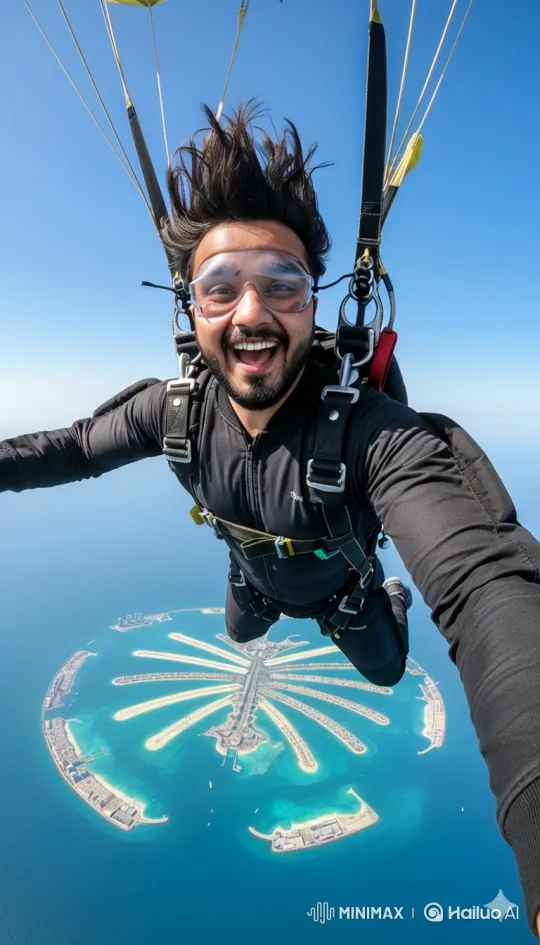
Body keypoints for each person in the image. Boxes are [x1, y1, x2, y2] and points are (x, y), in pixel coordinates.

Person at [2, 102, 540, 936]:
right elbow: (68, 448)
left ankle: (381, 603)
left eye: (281, 283)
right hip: (253, 578)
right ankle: (259, 592)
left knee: (390, 673)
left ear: (314, 302)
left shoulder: (372, 432)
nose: (251, 313)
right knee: (242, 632)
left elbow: (489, 583)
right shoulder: (171, 413)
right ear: (191, 309)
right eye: (221, 287)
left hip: (345, 596)